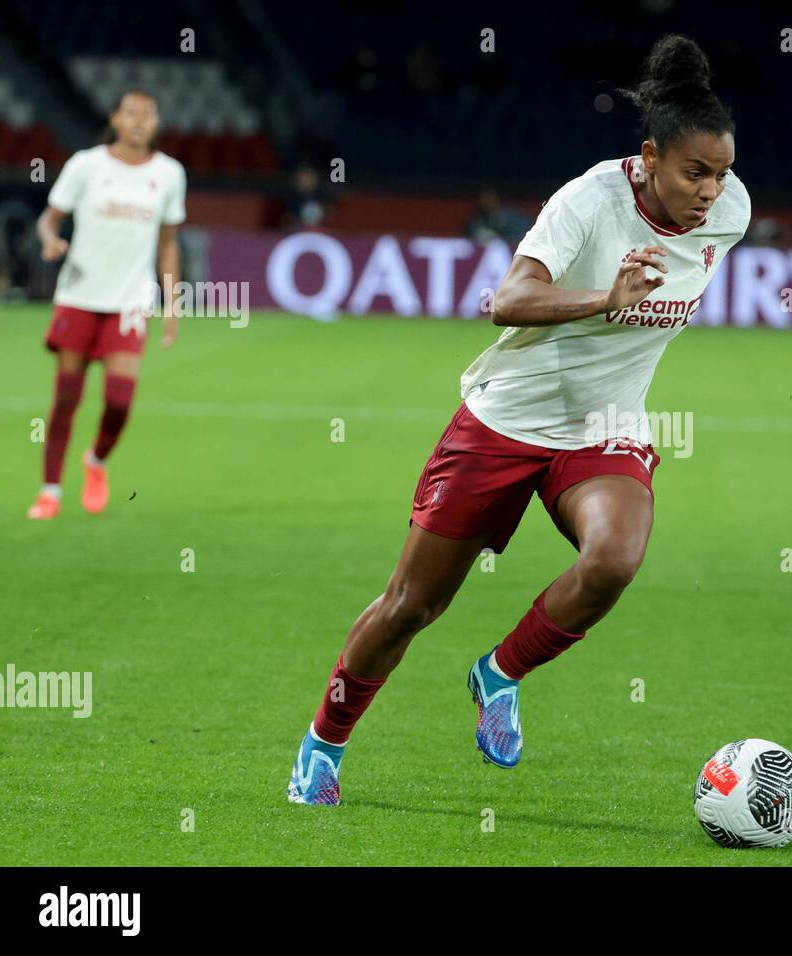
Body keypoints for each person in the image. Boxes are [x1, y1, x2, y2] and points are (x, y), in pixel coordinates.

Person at [288, 34, 751, 805]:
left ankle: (499, 673)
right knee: (413, 606)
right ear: (648, 157)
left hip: (604, 425)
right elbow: (503, 300)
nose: (710, 189)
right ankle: (321, 747)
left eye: (721, 173)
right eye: (694, 172)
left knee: (614, 559)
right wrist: (605, 297)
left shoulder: (728, 212)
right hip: (505, 421)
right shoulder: (589, 201)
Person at [29, 89, 185, 520]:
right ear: (115, 118)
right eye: (130, 112)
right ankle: (50, 491)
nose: (138, 120)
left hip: (130, 300)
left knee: (119, 400)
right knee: (65, 398)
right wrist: (49, 240)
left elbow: (169, 244)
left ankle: (95, 461)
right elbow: (49, 217)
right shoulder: (86, 165)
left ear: (155, 123)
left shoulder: (169, 174)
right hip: (79, 295)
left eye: (147, 114)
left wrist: (172, 303)